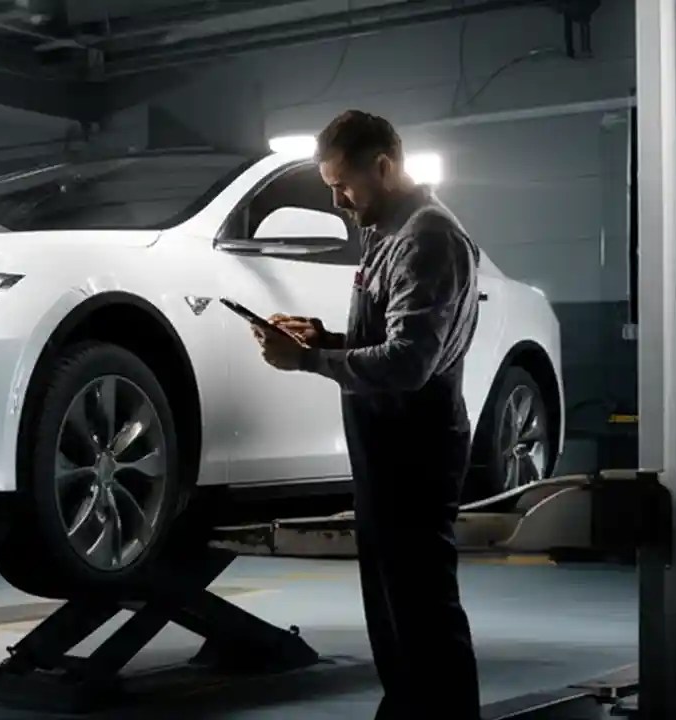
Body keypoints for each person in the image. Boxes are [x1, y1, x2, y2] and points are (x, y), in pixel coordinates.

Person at [253, 109, 483, 720]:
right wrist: (324, 338)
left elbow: (409, 362)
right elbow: (387, 337)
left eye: (342, 185)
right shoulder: (387, 230)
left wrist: (310, 361)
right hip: (384, 446)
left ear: (382, 167)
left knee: (423, 611)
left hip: (415, 448)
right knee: (394, 611)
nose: (337, 201)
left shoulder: (427, 238)